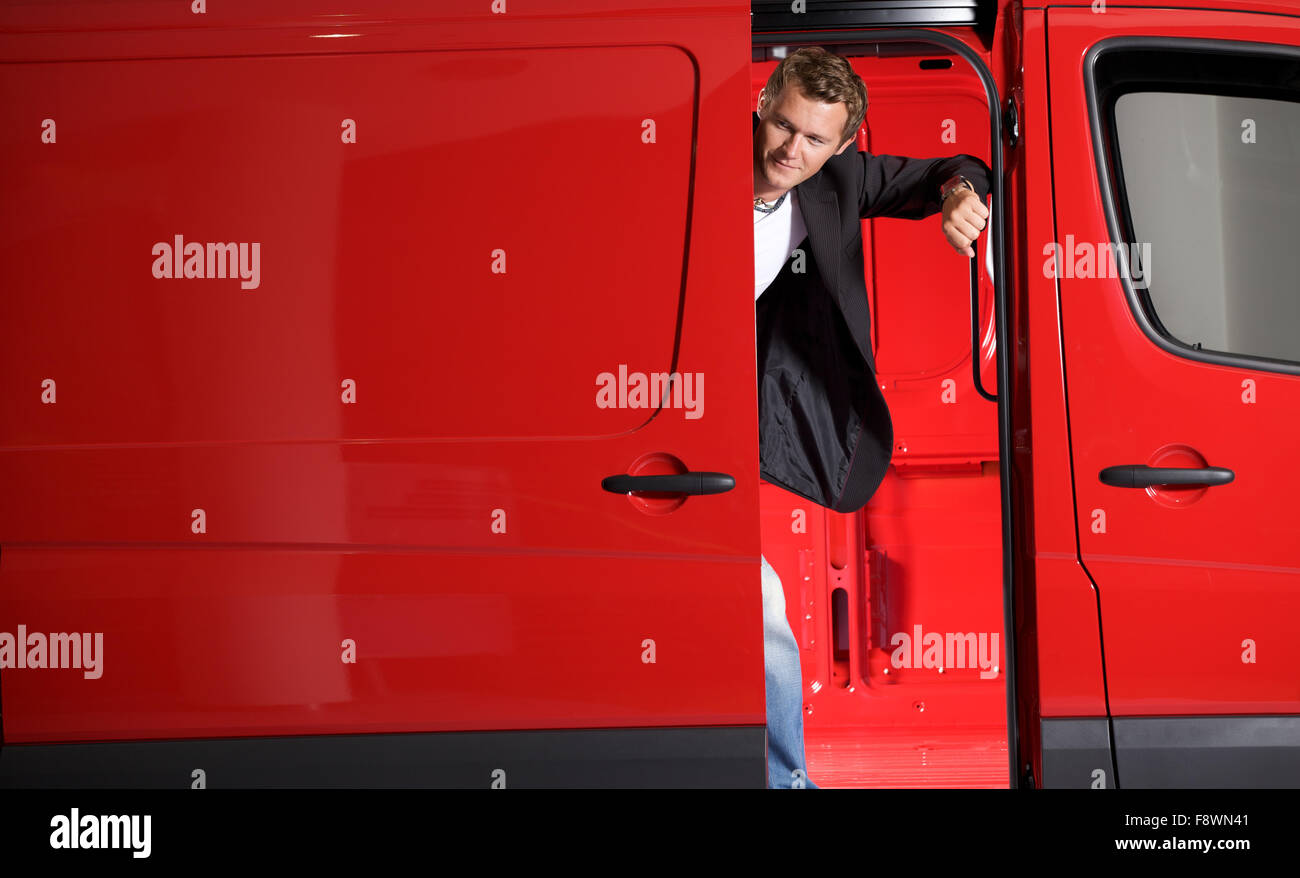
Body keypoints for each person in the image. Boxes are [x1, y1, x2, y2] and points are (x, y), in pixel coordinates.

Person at [752, 47, 992, 788]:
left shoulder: (840, 181)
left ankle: (782, 777)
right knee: (759, 625)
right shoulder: (692, 155)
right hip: (655, 409)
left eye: (815, 139)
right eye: (784, 125)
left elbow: (955, 167)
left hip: (735, 419)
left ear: (843, 144)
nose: (793, 151)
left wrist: (959, 195)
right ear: (762, 103)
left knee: (763, 626)